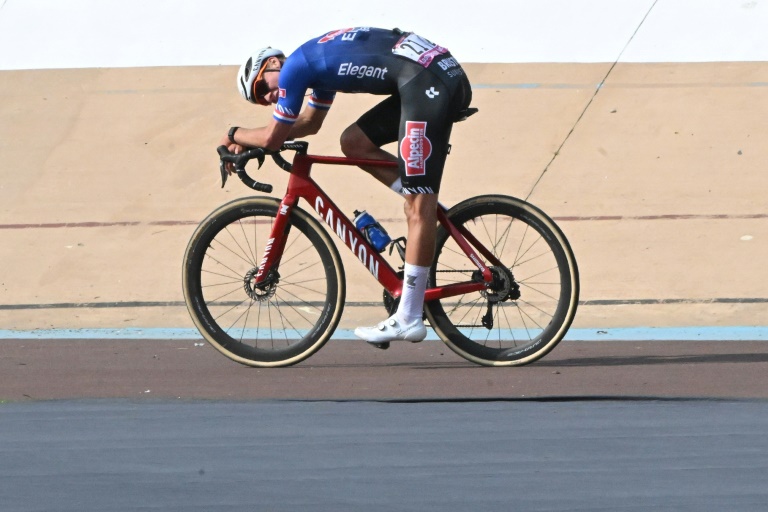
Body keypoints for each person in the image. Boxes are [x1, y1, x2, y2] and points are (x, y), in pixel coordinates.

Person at [221, 27, 472, 346]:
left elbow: (273, 136)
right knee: (353, 143)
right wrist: (252, 140)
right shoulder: (316, 70)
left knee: (416, 209)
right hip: (429, 75)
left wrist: (233, 134)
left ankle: (408, 317)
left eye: (261, 88)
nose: (269, 98)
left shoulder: (295, 68)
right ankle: (430, 207)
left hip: (426, 82)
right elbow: (309, 124)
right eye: (260, 100)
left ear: (272, 63)